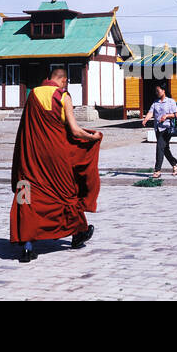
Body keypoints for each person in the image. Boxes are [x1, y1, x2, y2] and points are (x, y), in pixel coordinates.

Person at [9, 68, 104, 263]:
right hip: (55, 157)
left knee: (25, 194)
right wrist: (93, 136)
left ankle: (26, 244)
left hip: (29, 155)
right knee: (66, 193)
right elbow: (75, 131)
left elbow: (26, 126)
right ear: (63, 80)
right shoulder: (63, 96)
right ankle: (78, 233)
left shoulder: (33, 93)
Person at [141, 84, 177, 178]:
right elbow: (151, 112)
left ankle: (157, 170)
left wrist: (166, 116)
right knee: (165, 149)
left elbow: (176, 114)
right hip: (157, 128)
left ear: (163, 91)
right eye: (156, 91)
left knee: (159, 147)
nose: (157, 93)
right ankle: (175, 165)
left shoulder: (170, 101)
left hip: (167, 128)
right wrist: (145, 119)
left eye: (158, 91)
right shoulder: (155, 102)